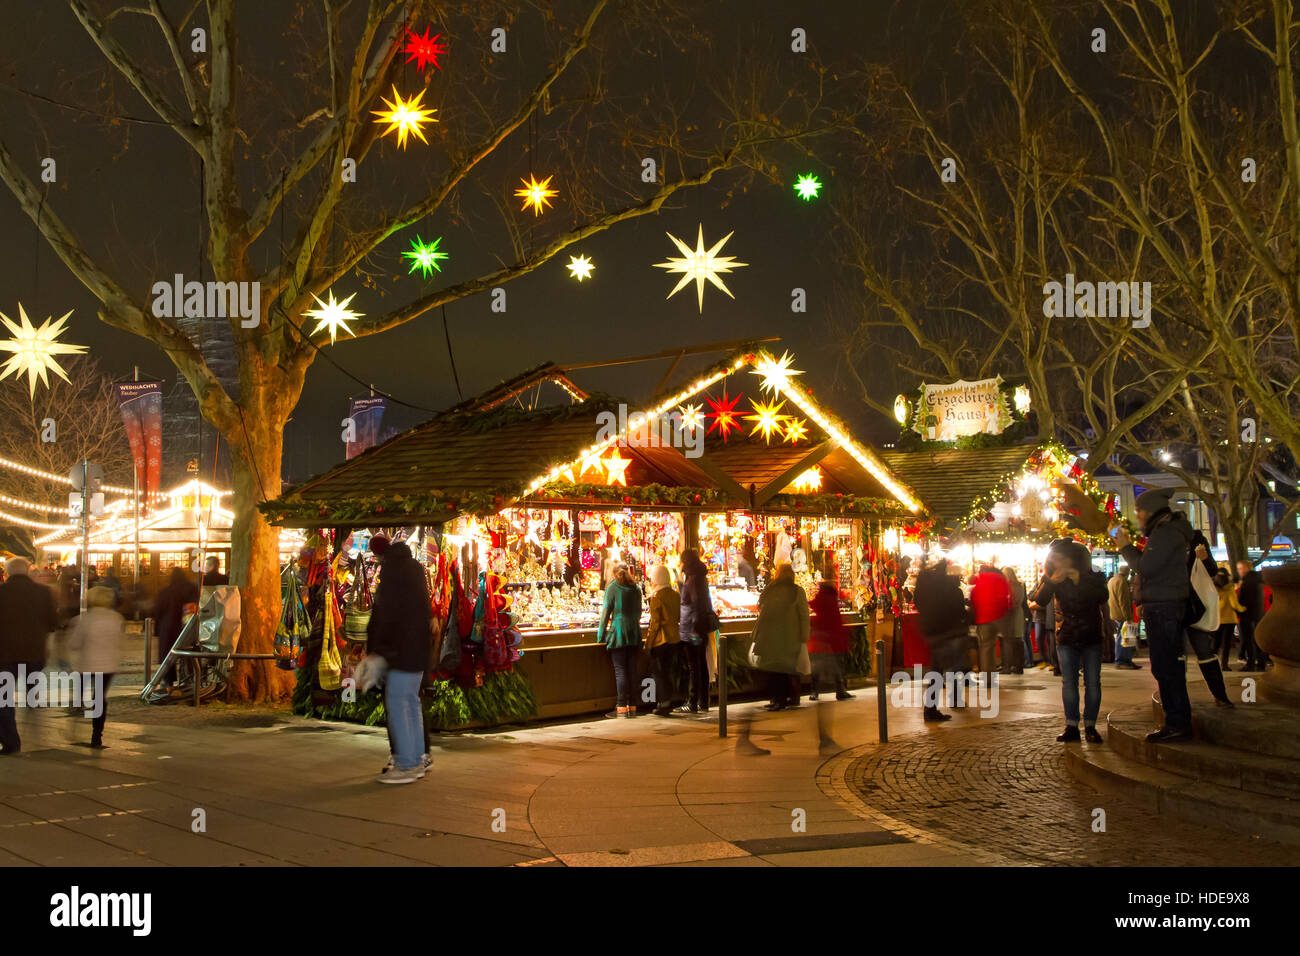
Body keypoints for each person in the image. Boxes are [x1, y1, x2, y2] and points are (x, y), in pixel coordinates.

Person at [1115, 488, 1195, 742]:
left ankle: (1177, 722)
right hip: (1164, 606)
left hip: (1164, 607)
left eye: (1138, 512)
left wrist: (1126, 547)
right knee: (1166, 666)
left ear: (1149, 512)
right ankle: (1176, 720)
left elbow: (1146, 567)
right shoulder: (1168, 532)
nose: (1137, 517)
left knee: (1166, 666)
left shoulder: (1166, 533)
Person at [365, 542, 432, 784]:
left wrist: (378, 649)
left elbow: (386, 614)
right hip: (417, 651)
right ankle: (416, 758)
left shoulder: (392, 573)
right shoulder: (415, 571)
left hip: (399, 652)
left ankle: (406, 764)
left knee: (398, 704)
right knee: (411, 704)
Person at [1033, 541, 1108, 743]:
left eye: (1060, 557)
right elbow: (1038, 600)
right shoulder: (1053, 576)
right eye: (1055, 558)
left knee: (1092, 683)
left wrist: (1080, 580)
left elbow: (1103, 596)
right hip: (1066, 636)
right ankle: (1072, 726)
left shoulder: (1094, 574)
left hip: (1091, 635)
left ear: (1073, 558)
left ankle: (1090, 725)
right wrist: (1051, 581)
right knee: (1069, 683)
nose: (1057, 561)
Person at [736, 563, 814, 755]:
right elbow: (804, 615)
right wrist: (804, 635)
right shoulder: (796, 591)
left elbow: (761, 606)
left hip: (771, 636)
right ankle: (784, 698)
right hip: (789, 636)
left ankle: (777, 699)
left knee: (774, 667)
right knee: (786, 666)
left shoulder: (772, 589)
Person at [0, 557, 60, 755]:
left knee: (4, 699)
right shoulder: (43, 593)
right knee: (31, 692)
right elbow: (53, 621)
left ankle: (11, 742)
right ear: (27, 571)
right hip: (35, 653)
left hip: (5, 655)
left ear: (7, 573)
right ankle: (34, 723)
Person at [67, 586, 126, 748]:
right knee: (99, 698)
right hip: (108, 665)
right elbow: (119, 641)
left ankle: (74, 727)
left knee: (79, 696)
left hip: (87, 664)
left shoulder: (84, 619)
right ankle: (96, 736)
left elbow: (74, 644)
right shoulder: (116, 618)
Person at [912, 557, 969, 722]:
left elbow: (918, 602)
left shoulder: (926, 585)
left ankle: (931, 709)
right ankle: (941, 705)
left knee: (937, 672)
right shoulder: (948, 587)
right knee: (953, 668)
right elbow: (956, 610)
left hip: (931, 632)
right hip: (947, 633)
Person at [1185, 536, 1232, 706]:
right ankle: (1178, 700)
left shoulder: (1196, 538)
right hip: (1173, 605)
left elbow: (1213, 571)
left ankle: (1220, 694)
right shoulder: (1163, 538)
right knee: (1177, 656)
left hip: (1193, 607)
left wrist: (1205, 560)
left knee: (1205, 652)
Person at [597, 564, 643, 718]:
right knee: (632, 670)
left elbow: (605, 612)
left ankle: (621, 706)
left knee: (620, 671)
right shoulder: (636, 588)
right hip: (634, 632)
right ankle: (633, 705)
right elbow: (639, 612)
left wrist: (601, 635)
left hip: (618, 632)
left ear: (615, 574)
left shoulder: (613, 588)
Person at [677, 548, 715, 714]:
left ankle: (693, 701)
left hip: (693, 628)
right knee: (701, 663)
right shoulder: (699, 577)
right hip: (699, 627)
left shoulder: (692, 579)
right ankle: (703, 700)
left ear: (686, 561)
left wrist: (693, 629)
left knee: (694, 665)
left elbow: (694, 603)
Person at [809, 562, 852, 701]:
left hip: (821, 636)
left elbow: (812, 606)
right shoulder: (833, 597)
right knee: (836, 665)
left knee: (817, 666)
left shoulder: (821, 596)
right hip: (835, 635)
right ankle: (840, 690)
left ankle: (815, 691)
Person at [150, 567, 199, 689]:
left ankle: (168, 681)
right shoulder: (191, 589)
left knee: (168, 655)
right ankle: (191, 678)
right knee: (190, 653)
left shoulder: (165, 592)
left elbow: (158, 612)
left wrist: (157, 630)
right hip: (185, 626)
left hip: (168, 627)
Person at [645, 565, 680, 717]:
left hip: (661, 639)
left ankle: (663, 701)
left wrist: (648, 643)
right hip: (674, 637)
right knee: (667, 670)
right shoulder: (675, 595)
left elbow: (655, 623)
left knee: (657, 672)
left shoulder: (656, 597)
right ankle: (667, 700)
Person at [970, 562, 1012, 686]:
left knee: (986, 648)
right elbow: (1006, 596)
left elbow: (973, 596)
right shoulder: (1000, 578)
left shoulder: (980, 580)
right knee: (1006, 641)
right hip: (999, 616)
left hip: (983, 618)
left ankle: (988, 679)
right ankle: (1008, 665)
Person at [1235, 559, 1267, 671]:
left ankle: (1251, 663)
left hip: (1247, 615)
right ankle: (1261, 663)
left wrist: (1239, 610)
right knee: (1257, 640)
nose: (1238, 571)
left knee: (1248, 640)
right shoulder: (1258, 580)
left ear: (1246, 568)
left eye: (1240, 568)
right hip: (1258, 614)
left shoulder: (1247, 582)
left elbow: (1244, 600)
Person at [1108, 566, 1140, 669]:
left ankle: (1122, 660)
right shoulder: (1122, 582)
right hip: (1123, 614)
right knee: (1125, 638)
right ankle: (1124, 660)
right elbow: (1124, 601)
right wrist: (1128, 617)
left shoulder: (1112, 580)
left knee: (1121, 637)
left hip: (1115, 613)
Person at [998, 566, 1027, 675]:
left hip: (1009, 615)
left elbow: (1010, 601)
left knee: (1008, 642)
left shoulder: (1009, 586)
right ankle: (1018, 666)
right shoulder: (1020, 585)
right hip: (1017, 614)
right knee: (1017, 641)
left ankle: (1007, 666)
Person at [1214, 568, 1244, 671]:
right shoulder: (1230, 588)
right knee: (1226, 643)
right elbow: (1233, 603)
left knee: (1216, 642)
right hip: (1230, 619)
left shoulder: (1214, 588)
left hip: (1218, 618)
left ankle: (1212, 664)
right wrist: (1243, 609)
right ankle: (1224, 665)